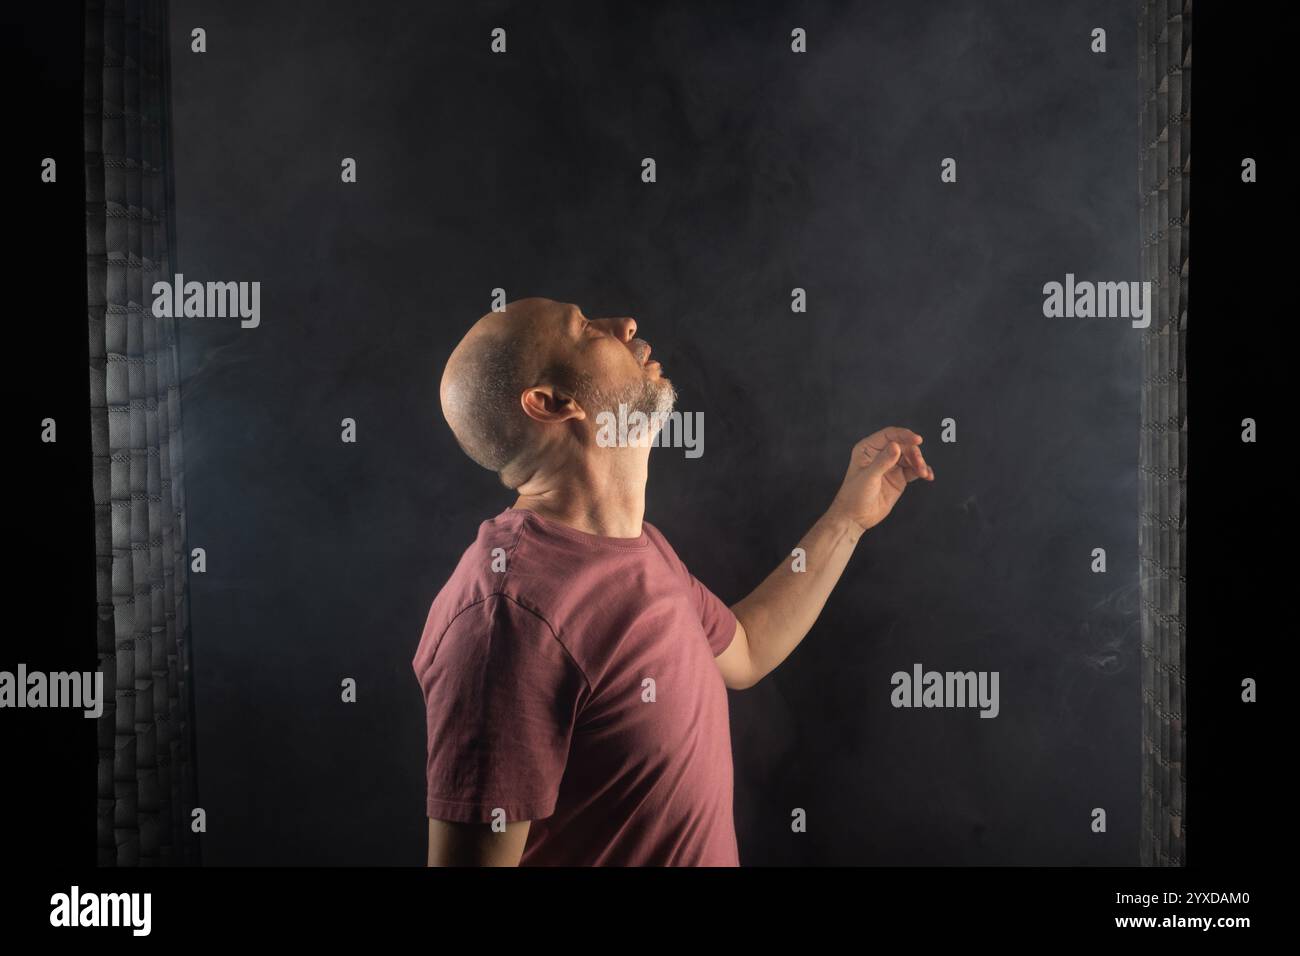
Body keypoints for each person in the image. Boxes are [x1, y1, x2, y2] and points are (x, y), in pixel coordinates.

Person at [412, 297, 934, 865]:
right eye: (586, 330)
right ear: (552, 403)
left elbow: (749, 649)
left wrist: (848, 519)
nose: (624, 325)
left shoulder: (641, 550)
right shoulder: (504, 619)